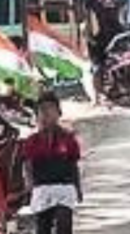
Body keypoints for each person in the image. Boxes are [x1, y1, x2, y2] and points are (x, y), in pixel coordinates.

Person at [22, 92, 81, 234]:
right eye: (41, 110)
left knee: (64, 222)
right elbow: (28, 165)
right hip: (42, 188)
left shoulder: (68, 139)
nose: (46, 113)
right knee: (43, 227)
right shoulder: (31, 141)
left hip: (64, 187)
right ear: (36, 116)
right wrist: (29, 185)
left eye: (50, 109)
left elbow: (73, 164)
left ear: (58, 113)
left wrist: (78, 187)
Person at [83, 0, 124, 104]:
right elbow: (122, 11)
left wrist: (88, 35)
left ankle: (97, 98)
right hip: (117, 32)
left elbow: (88, 17)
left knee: (97, 64)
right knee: (117, 61)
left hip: (100, 34)